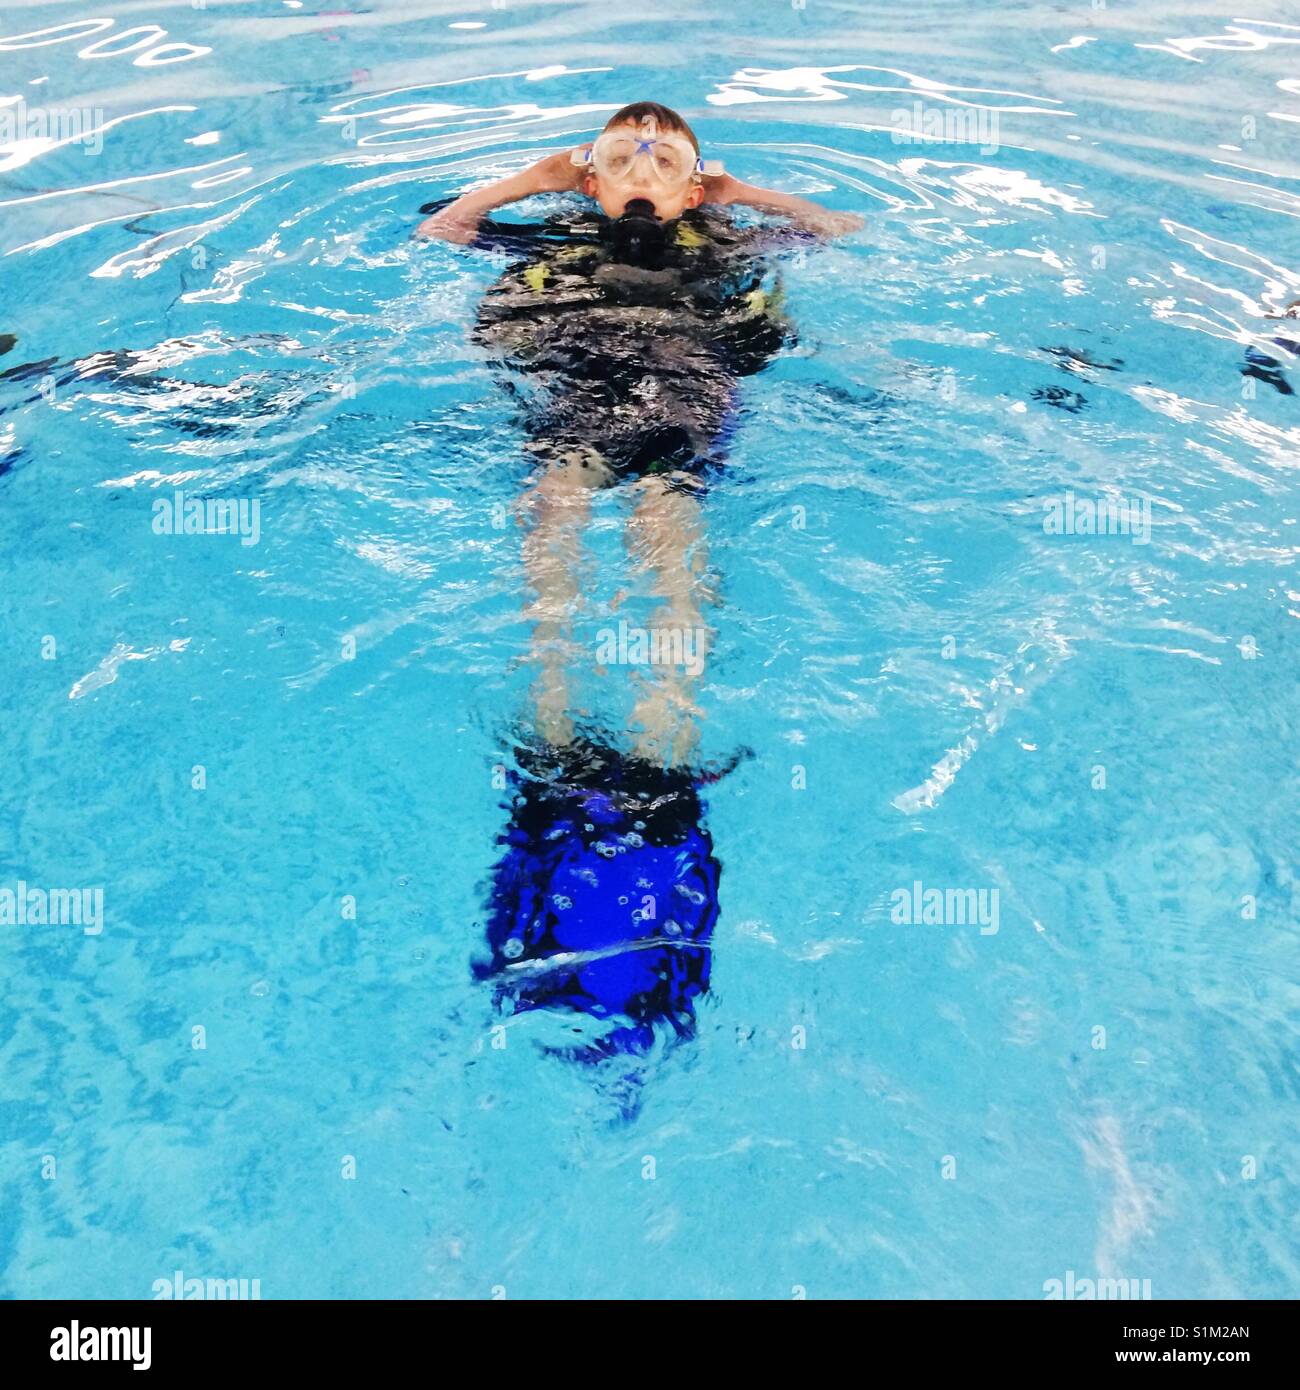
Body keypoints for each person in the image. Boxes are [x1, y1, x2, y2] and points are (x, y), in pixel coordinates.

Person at [430, 103, 861, 1062]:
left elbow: (843, 232)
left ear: (693, 187)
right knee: (555, 508)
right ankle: (552, 743)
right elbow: (443, 232)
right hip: (582, 389)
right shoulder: (554, 229)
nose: (644, 163)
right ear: (589, 180)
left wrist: (736, 194)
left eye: (667, 159)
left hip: (682, 390)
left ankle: (660, 761)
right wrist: (532, 181)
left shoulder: (724, 236)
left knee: (669, 527)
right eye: (622, 154)